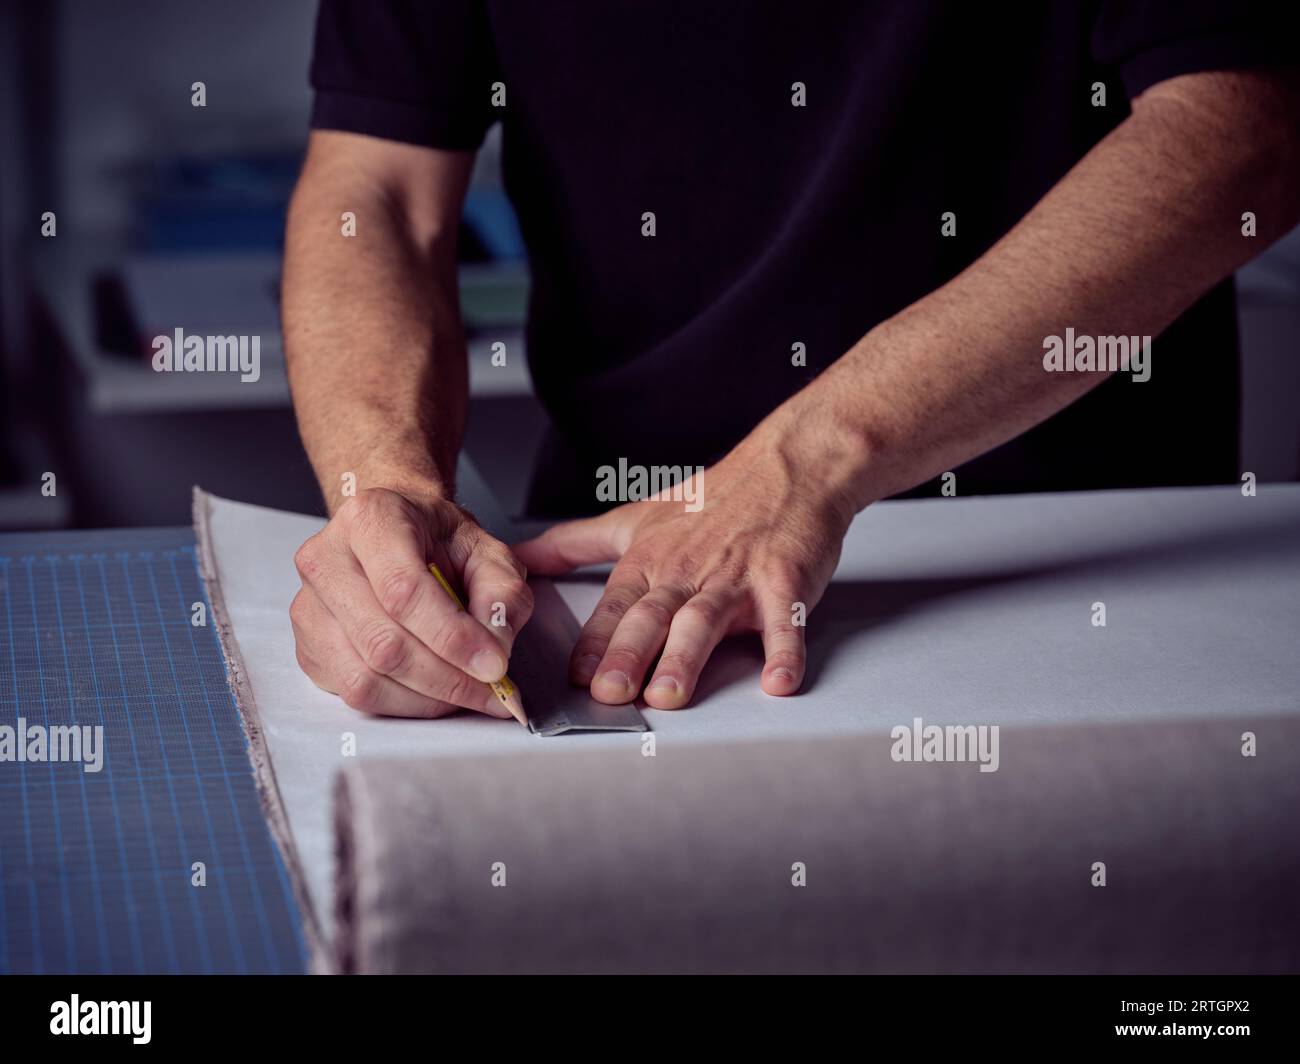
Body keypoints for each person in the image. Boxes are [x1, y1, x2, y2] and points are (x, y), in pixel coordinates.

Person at [282, 0, 1300, 719]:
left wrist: (803, 463)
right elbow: (375, 188)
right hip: (618, 570)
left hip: (1088, 565)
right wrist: (384, 484)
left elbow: (1241, 123)